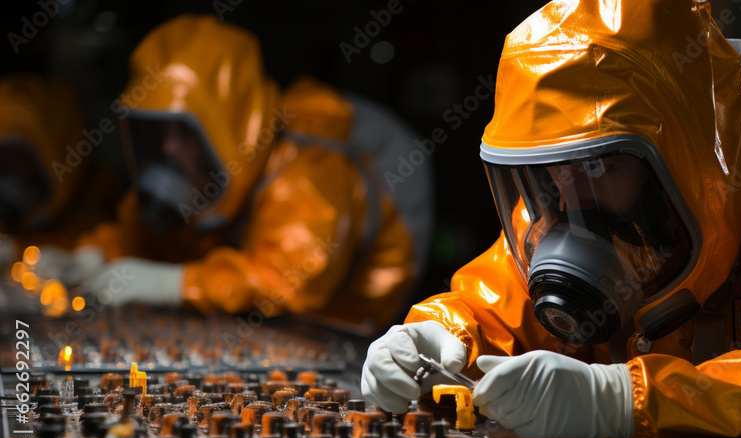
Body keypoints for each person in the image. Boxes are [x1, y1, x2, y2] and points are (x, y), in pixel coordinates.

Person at [362, 0, 741, 438]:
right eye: (548, 172)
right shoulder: (571, 209)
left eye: (596, 166)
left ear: (686, 160)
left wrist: (619, 400)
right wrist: (432, 335)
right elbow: (491, 305)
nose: (567, 201)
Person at [37, 15, 432, 332]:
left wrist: (175, 284)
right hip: (253, 330)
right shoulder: (200, 173)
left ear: (230, 123)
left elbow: (289, 281)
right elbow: (147, 235)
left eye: (183, 132)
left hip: (339, 328)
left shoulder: (307, 167)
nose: (168, 148)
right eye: (158, 132)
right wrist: (91, 256)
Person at [0, 73, 120, 265]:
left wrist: (17, 251)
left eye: (10, 161)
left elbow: (94, 248)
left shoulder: (98, 196)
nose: (4, 176)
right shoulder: (16, 214)